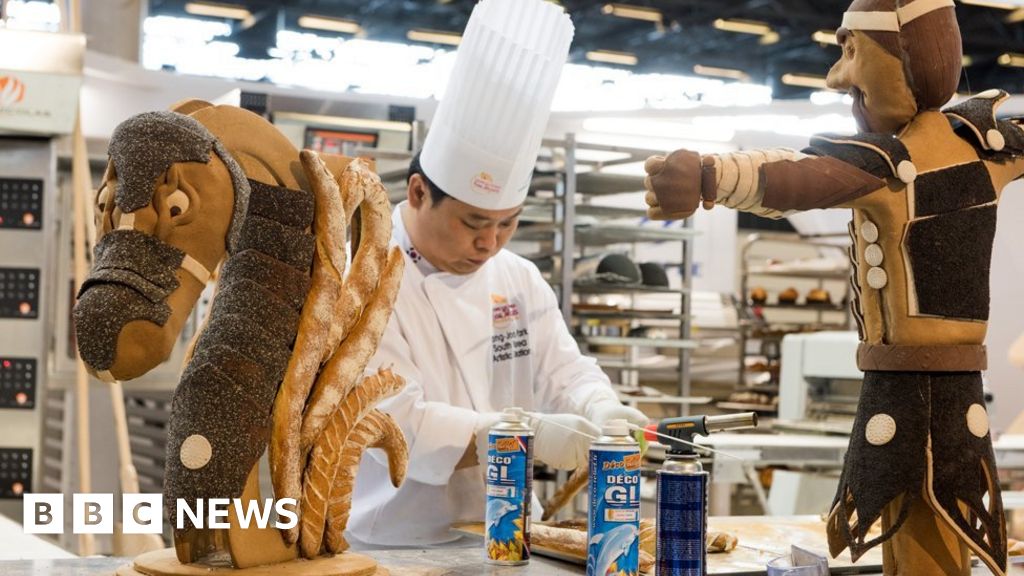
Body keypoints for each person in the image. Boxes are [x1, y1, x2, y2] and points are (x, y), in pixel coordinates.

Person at [643, 1, 1023, 574]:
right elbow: (798, 174)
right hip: (923, 389)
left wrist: (708, 177)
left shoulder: (894, 160)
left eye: (850, 53)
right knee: (924, 516)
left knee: (928, 518)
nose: (838, 77)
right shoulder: (986, 148)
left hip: (917, 392)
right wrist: (707, 177)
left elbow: (796, 177)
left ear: (905, 59)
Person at [346, 0, 646, 547]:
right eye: (474, 222)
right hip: (396, 538)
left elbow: (564, 371)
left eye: (508, 223)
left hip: (510, 530)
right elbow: (394, 425)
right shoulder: (365, 280)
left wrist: (598, 405)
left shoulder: (517, 276)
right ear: (418, 193)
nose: (490, 242)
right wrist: (521, 436)